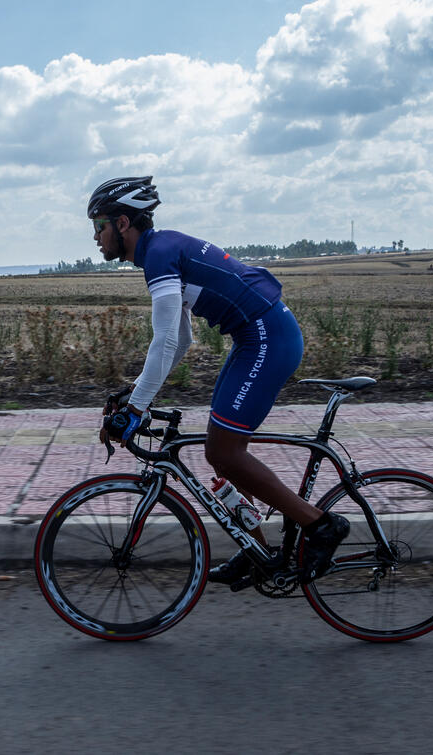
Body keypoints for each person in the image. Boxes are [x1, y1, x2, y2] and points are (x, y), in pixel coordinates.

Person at [89, 176, 349, 585]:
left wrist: (137, 407)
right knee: (220, 449)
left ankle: (321, 526)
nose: (95, 237)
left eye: (98, 225)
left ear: (122, 223)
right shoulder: (161, 249)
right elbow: (182, 340)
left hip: (266, 337)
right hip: (255, 336)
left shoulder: (159, 254)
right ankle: (256, 549)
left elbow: (168, 338)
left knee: (224, 451)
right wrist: (134, 394)